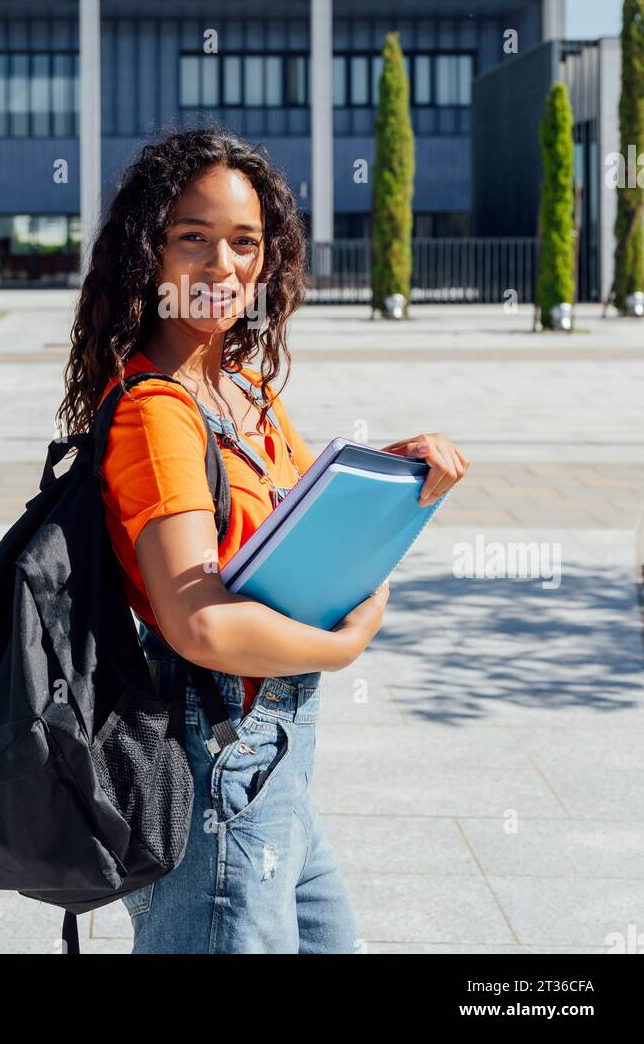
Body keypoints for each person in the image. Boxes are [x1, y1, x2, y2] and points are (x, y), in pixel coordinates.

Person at [57, 125, 469, 954]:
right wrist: (342, 648)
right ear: (149, 254)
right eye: (193, 239)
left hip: (274, 763)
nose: (222, 267)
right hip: (220, 765)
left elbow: (295, 512)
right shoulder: (156, 411)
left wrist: (392, 474)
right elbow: (198, 621)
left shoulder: (240, 387)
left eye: (244, 242)